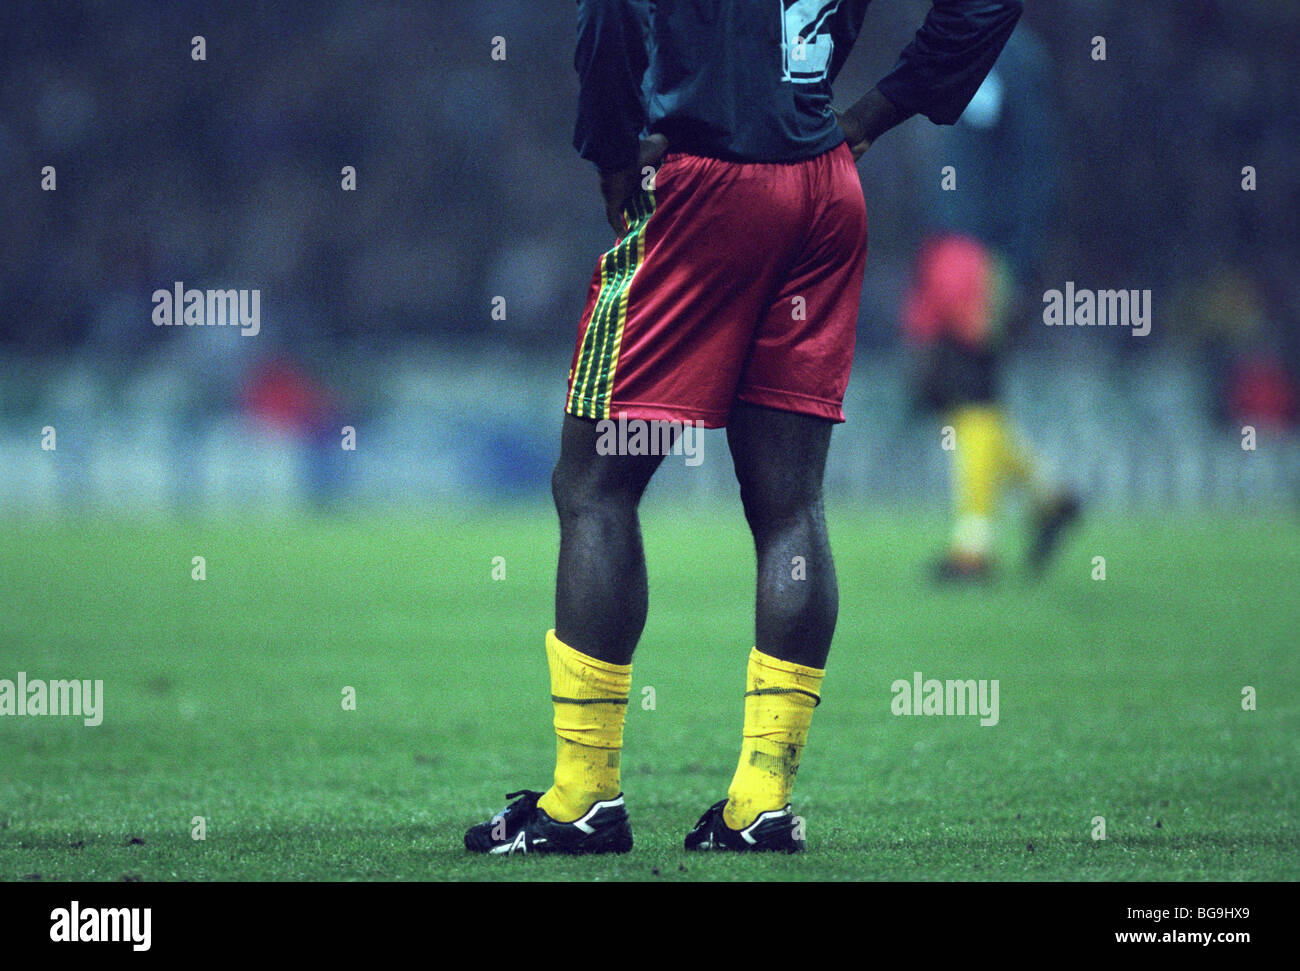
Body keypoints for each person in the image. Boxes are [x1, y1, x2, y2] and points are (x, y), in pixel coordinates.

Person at [465, 0, 1024, 856]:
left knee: (594, 483)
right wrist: (876, 110)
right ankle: (760, 801)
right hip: (825, 184)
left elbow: (612, 15)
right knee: (791, 503)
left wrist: (613, 156)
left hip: (704, 183)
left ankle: (583, 796)